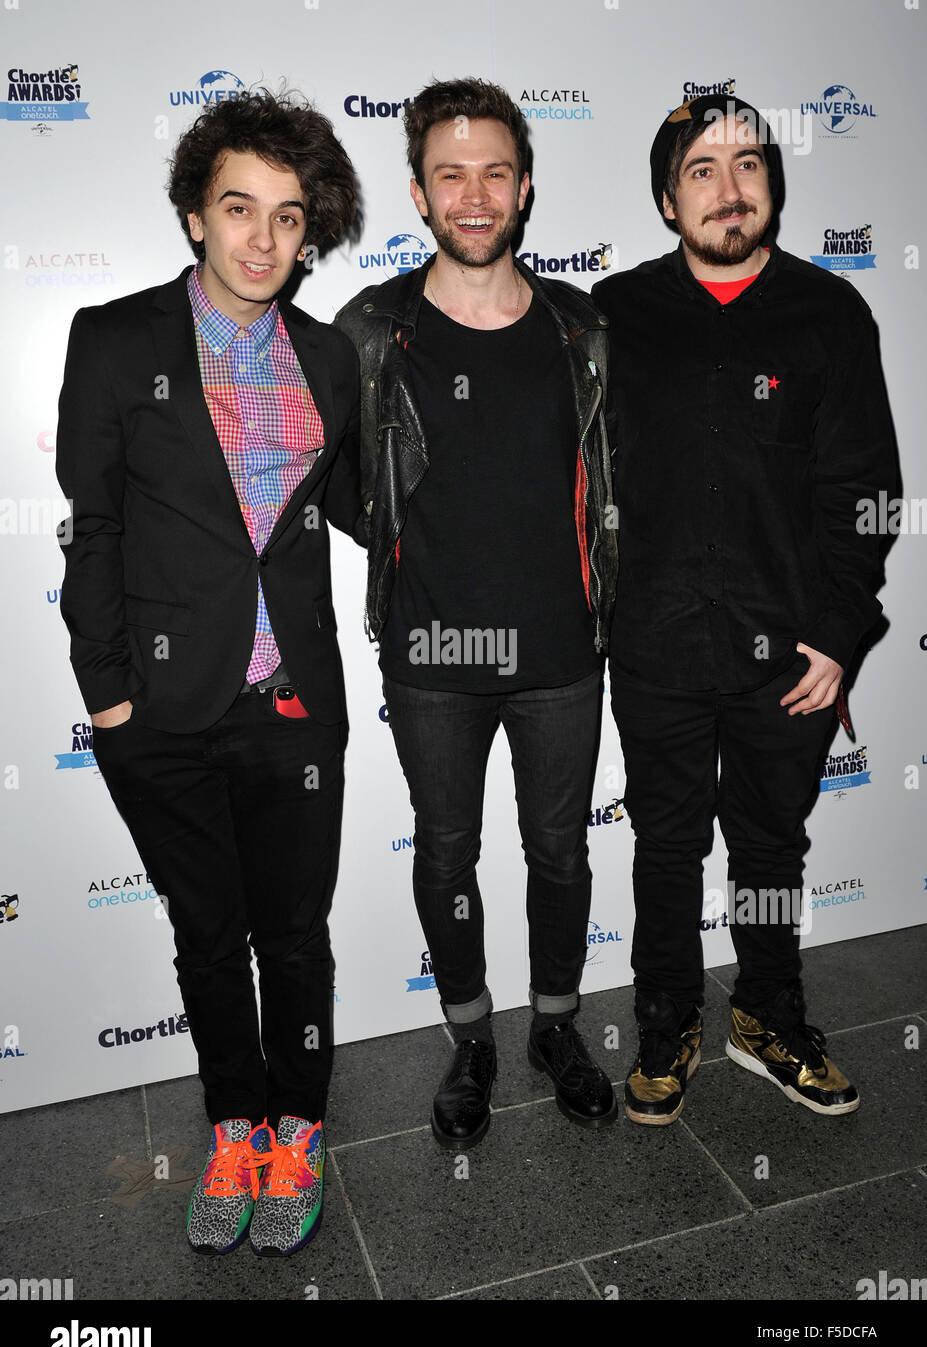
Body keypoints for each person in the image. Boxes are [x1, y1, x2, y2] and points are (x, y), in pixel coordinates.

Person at [56, 89, 365, 1252]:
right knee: (204, 931)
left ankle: (300, 1124)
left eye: (288, 217)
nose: (262, 239)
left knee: (294, 933)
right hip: (164, 709)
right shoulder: (117, 337)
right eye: (240, 208)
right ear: (196, 213)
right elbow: (93, 525)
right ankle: (232, 1122)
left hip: (292, 705)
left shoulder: (331, 358)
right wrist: (109, 694)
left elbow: (357, 511)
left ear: (309, 229)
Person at [591, 95, 895, 1125]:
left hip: (791, 655)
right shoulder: (616, 314)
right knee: (667, 846)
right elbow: (570, 479)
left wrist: (842, 634)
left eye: (751, 163)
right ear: (668, 197)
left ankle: (768, 1013)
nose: (732, 187)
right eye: (704, 169)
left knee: (770, 847)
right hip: (656, 646)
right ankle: (668, 1019)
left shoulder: (831, 314)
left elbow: (865, 489)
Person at [336, 77, 620, 1149]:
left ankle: (554, 1024)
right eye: (450, 173)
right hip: (431, 653)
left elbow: (614, 483)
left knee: (560, 853)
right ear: (418, 192)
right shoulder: (372, 331)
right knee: (446, 855)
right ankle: (469, 1038)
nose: (473, 192)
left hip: (560, 651)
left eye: (493, 171)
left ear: (525, 186)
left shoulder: (581, 327)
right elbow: (347, 492)